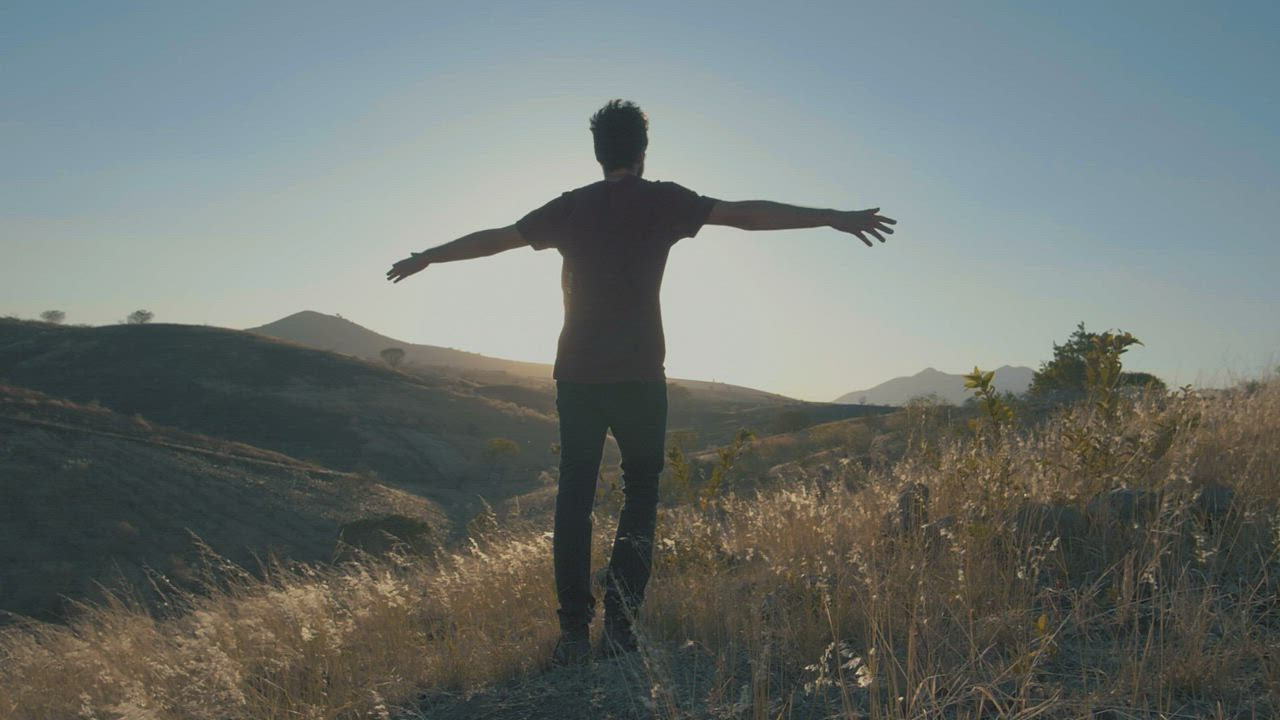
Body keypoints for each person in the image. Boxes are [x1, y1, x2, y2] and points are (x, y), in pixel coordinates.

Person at [386, 99, 896, 666]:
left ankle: (574, 634)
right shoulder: (664, 202)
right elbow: (746, 215)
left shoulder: (570, 208)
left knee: (574, 499)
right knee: (641, 495)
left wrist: (430, 256)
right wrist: (830, 215)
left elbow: (495, 239)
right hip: (640, 378)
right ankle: (622, 629)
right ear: (642, 153)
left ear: (599, 153)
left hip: (576, 375)